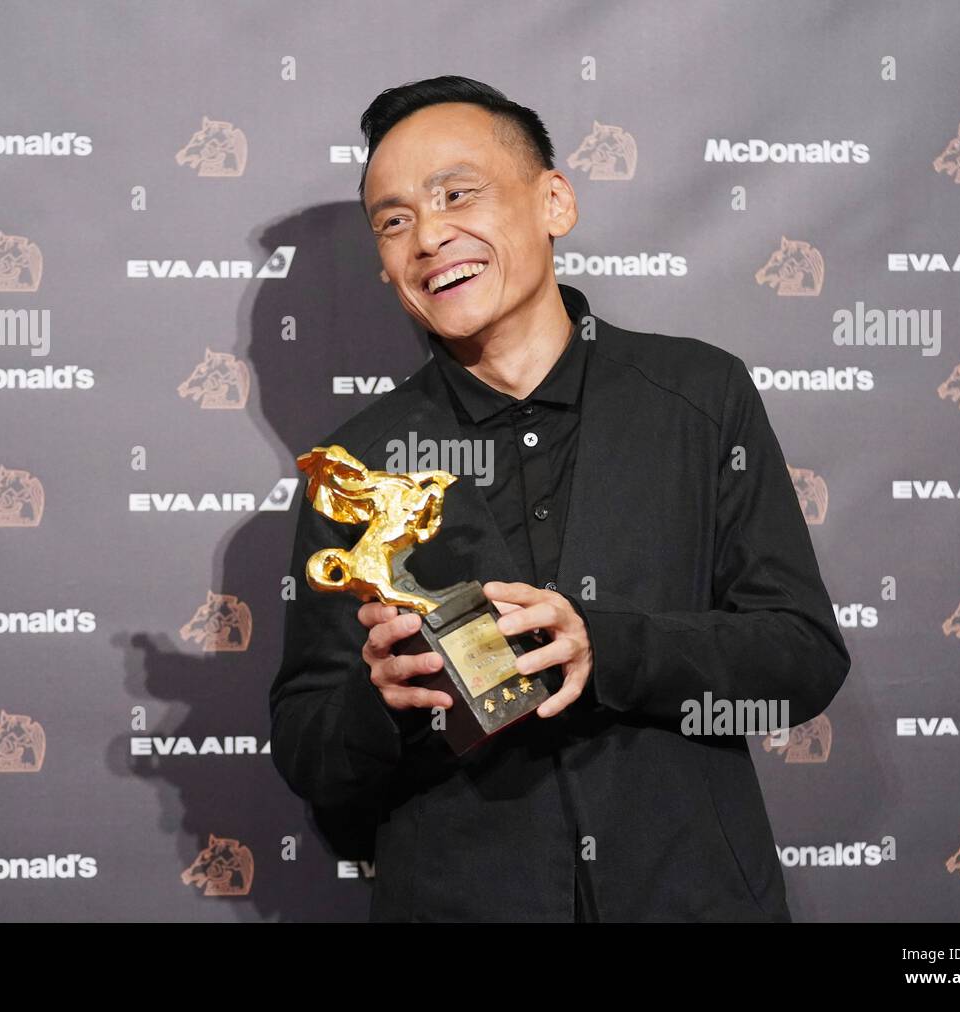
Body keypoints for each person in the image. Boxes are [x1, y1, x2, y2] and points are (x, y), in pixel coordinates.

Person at [269, 75, 850, 921]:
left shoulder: (698, 395)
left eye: (457, 194)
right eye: (393, 221)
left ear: (554, 202)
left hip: (696, 896)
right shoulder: (360, 462)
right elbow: (308, 751)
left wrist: (605, 648)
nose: (429, 235)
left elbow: (799, 659)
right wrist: (380, 702)